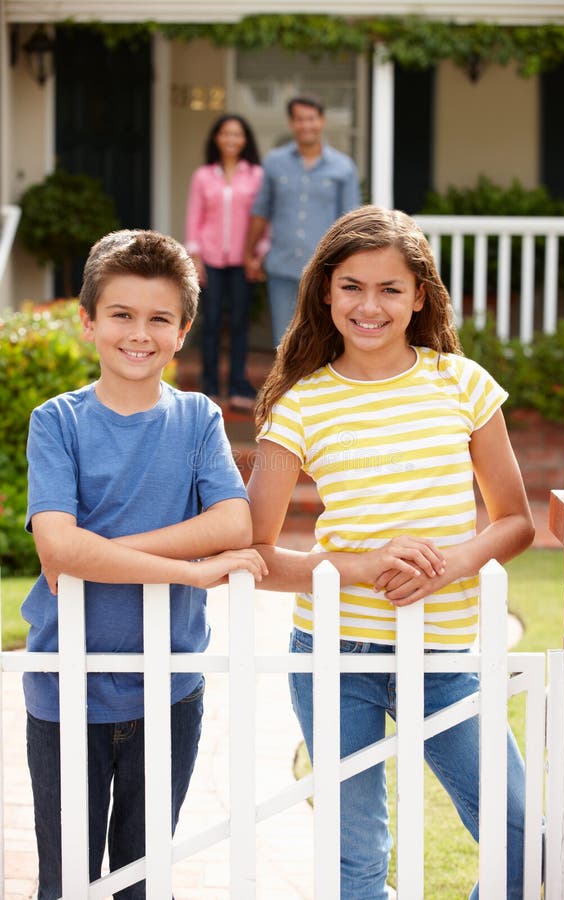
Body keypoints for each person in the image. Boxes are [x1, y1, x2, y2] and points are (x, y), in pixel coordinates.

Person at [247, 206, 535, 899]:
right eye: (351, 286)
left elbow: (516, 522)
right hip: (334, 654)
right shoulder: (298, 406)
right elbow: (254, 554)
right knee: (357, 857)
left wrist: (448, 565)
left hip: (444, 656)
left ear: (420, 297)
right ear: (325, 292)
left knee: (522, 836)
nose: (369, 306)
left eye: (389, 289)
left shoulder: (463, 384)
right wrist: (364, 566)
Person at [22, 229, 267, 900]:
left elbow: (234, 523)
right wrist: (189, 570)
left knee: (143, 882)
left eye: (159, 318)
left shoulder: (198, 419)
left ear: (183, 331)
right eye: (121, 314)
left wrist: (96, 552)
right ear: (88, 321)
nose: (139, 333)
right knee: (67, 883)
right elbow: (57, 547)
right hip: (66, 689)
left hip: (169, 690)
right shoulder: (57, 423)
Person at [244, 95, 361, 346]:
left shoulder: (343, 167)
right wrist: (249, 254)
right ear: (291, 123)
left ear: (321, 121)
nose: (306, 125)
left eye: (311, 119)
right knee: (284, 340)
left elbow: (352, 223)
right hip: (282, 267)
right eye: (299, 119)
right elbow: (261, 211)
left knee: (325, 338)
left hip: (326, 270)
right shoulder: (274, 162)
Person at [185, 114, 267, 410]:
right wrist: (195, 258)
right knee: (211, 322)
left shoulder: (256, 175)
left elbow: (263, 217)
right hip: (210, 259)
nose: (231, 139)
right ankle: (209, 386)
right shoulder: (203, 176)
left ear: (245, 140)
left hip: (244, 260)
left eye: (237, 134)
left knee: (240, 323)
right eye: (225, 134)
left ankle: (238, 386)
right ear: (216, 139)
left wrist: (259, 253)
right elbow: (194, 218)